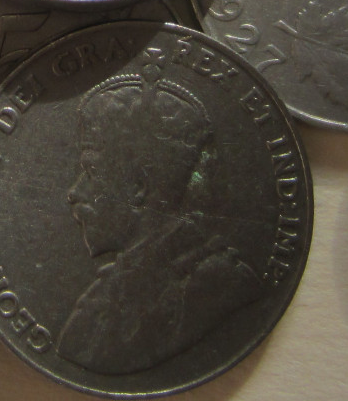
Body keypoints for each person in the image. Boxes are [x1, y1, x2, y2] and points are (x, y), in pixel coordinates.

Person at [58, 74, 263, 375]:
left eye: (91, 171)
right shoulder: (111, 291)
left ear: (138, 186)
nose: (74, 192)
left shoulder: (215, 288)